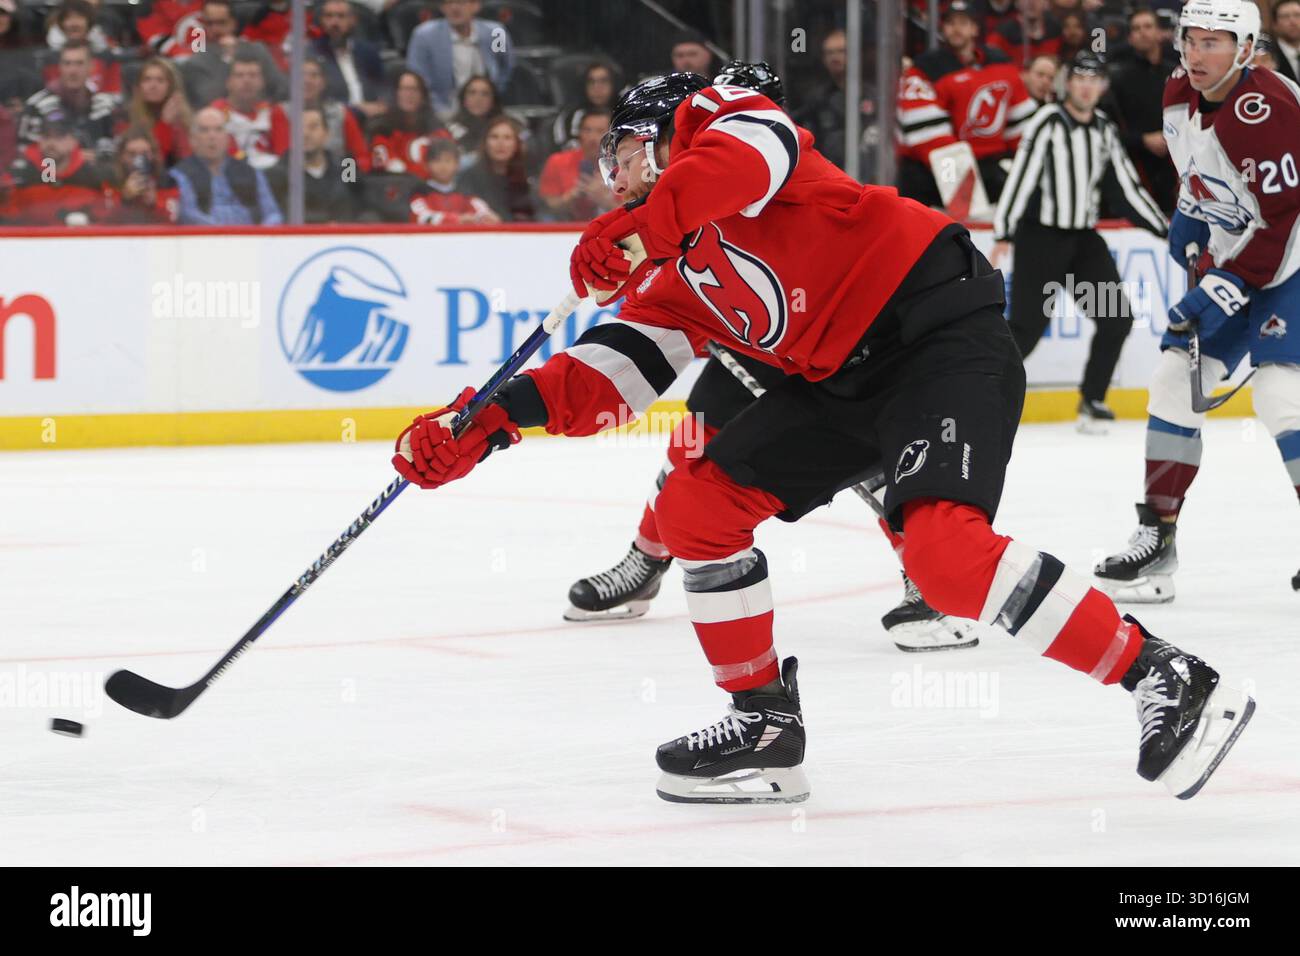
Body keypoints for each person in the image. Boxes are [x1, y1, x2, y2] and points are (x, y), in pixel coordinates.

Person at [390, 72, 1254, 804]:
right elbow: (607, 377)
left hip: (936, 331)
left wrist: (649, 227)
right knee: (695, 504)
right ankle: (765, 724)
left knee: (946, 557)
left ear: (659, 136)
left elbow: (750, 155)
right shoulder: (670, 270)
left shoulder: (724, 122)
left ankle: (1162, 673)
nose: (609, 179)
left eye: (616, 154)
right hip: (836, 381)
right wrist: (490, 421)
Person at [562, 63, 978, 653]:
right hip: (751, 338)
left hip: (822, 339)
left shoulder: (777, 163)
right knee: (694, 442)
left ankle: (926, 581)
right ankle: (647, 559)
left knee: (881, 460)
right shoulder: (698, 159)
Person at [1095, 0, 1300, 600]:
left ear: (1244, 48)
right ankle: (1157, 538)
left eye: (1215, 41)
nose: (1196, 51)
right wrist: (1188, 219)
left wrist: (1226, 284)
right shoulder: (1179, 93)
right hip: (1238, 255)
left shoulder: (1267, 110)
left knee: (1280, 392)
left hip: (1291, 265)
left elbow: (1283, 216)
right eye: (1191, 38)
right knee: (1170, 382)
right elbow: (1198, 176)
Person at [992, 52, 1169, 430]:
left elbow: (1126, 187)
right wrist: (1004, 230)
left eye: (1095, 79)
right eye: (1080, 78)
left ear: (1102, 86)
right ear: (1067, 83)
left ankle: (1092, 399)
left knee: (1116, 318)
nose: (1087, 86)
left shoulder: (1104, 128)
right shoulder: (1047, 122)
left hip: (1082, 243)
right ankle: (979, 396)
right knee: (1025, 328)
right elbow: (1021, 177)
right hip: (1041, 239)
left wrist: (1166, 228)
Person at [897, 1, 1037, 208]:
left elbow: (1022, 127)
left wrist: (1026, 166)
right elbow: (930, 140)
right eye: (950, 23)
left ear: (975, 29)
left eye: (963, 23)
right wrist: (966, 195)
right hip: (939, 173)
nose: (956, 29)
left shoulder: (1001, 63)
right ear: (943, 28)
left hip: (991, 165)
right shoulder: (925, 69)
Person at [1104, 7, 1180, 214]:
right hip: (1134, 164)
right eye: (1136, 29)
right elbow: (1107, 126)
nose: (1143, 32)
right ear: (1130, 38)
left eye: (1148, 26)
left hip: (1175, 164)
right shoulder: (1118, 77)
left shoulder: (1177, 73)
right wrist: (1143, 139)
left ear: (1159, 33)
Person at [171, 105, 281, 224]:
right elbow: (188, 214)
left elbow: (273, 214)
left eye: (218, 129)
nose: (211, 136)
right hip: (204, 240)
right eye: (204, 130)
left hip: (252, 239)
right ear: (192, 139)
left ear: (227, 138)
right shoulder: (179, 175)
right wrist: (224, 234)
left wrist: (262, 235)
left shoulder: (251, 172)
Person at [1, 107, 112, 224]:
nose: (51, 143)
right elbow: (7, 219)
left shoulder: (95, 177)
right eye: (46, 136)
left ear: (74, 141)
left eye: (59, 137)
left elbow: (110, 218)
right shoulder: (20, 177)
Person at [405, 0, 514, 118]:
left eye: (461, 2)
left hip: (488, 110)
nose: (454, 8)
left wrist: (491, 98)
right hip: (442, 111)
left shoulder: (497, 33)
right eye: (448, 2)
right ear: (442, 8)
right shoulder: (423, 36)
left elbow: (506, 67)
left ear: (476, 5)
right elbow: (418, 80)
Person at [18, 39, 120, 162]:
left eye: (79, 63)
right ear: (60, 67)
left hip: (97, 175)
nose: (73, 71)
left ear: (91, 67)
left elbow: (118, 148)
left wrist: (99, 156)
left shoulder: (105, 105)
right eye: (67, 63)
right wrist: (73, 159)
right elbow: (24, 151)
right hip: (51, 176)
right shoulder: (37, 106)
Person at [264, 106, 358, 223]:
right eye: (299, 128)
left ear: (326, 133)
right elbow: (281, 216)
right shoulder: (277, 174)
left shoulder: (347, 167)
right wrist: (325, 223)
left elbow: (359, 203)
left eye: (313, 127)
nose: (305, 134)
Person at [210, 50, 289, 170]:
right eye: (239, 75)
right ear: (228, 82)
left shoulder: (274, 112)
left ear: (263, 81)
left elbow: (284, 155)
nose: (247, 81)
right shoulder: (216, 113)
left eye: (253, 75)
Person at [537, 108, 616, 222]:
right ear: (579, 134)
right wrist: (570, 197)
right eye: (587, 130)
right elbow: (547, 207)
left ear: (610, 136)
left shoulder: (622, 165)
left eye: (600, 131)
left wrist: (604, 200)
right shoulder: (557, 161)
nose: (592, 137)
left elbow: (632, 211)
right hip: (566, 227)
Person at [312, 0, 386, 119]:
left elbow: (383, 90)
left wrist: (382, 106)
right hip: (333, 120)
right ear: (321, 20)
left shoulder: (368, 52)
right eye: (329, 16)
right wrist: (356, 110)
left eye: (341, 16)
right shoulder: (313, 54)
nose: (334, 22)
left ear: (353, 20)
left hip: (373, 120)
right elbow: (317, 100)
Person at [368, 69, 450, 174]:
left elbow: (448, 156)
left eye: (414, 89)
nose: (409, 94)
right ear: (396, 93)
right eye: (404, 89)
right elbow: (381, 162)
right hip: (399, 183)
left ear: (422, 95)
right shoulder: (382, 128)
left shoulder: (435, 125)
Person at [456, 113, 532, 221]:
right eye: (494, 137)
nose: (500, 144)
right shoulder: (469, 177)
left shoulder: (526, 177)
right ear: (485, 143)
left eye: (507, 138)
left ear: (516, 144)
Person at [300, 55, 369, 173]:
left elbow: (360, 157)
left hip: (336, 180)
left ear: (323, 82)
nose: (307, 81)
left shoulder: (341, 113)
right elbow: (283, 157)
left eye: (314, 75)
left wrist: (348, 180)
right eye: (302, 75)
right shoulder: (282, 112)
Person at [406, 137, 496, 225]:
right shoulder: (419, 193)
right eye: (437, 161)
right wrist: (455, 220)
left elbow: (482, 210)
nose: (443, 166)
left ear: (457, 164)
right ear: (426, 165)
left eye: (448, 161)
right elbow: (421, 217)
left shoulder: (465, 194)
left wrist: (485, 217)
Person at [126, 57, 192, 167]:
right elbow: (150, 162)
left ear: (171, 86)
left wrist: (175, 126)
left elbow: (188, 160)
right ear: (139, 86)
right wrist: (164, 124)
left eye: (160, 80)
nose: (153, 86)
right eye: (147, 80)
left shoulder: (183, 119)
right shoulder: (127, 117)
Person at [104, 127, 177, 223]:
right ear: (121, 156)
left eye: (144, 154)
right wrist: (125, 200)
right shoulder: (109, 184)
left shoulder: (166, 182)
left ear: (153, 155)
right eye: (132, 154)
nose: (139, 160)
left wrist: (154, 204)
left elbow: (174, 224)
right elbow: (102, 223)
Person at [551, 60, 618, 152]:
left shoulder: (624, 112)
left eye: (603, 81)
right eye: (591, 82)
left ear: (614, 84)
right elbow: (569, 153)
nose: (597, 87)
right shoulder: (570, 118)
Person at [445, 75, 504, 168]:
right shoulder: (448, 130)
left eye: (485, 94)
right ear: (463, 99)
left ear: (493, 101)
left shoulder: (505, 128)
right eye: (472, 93)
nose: (478, 99)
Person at [1269, 0, 1300, 82]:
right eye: (1285, 16)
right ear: (1275, 24)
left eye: (1297, 15)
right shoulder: (1268, 56)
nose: (1293, 22)